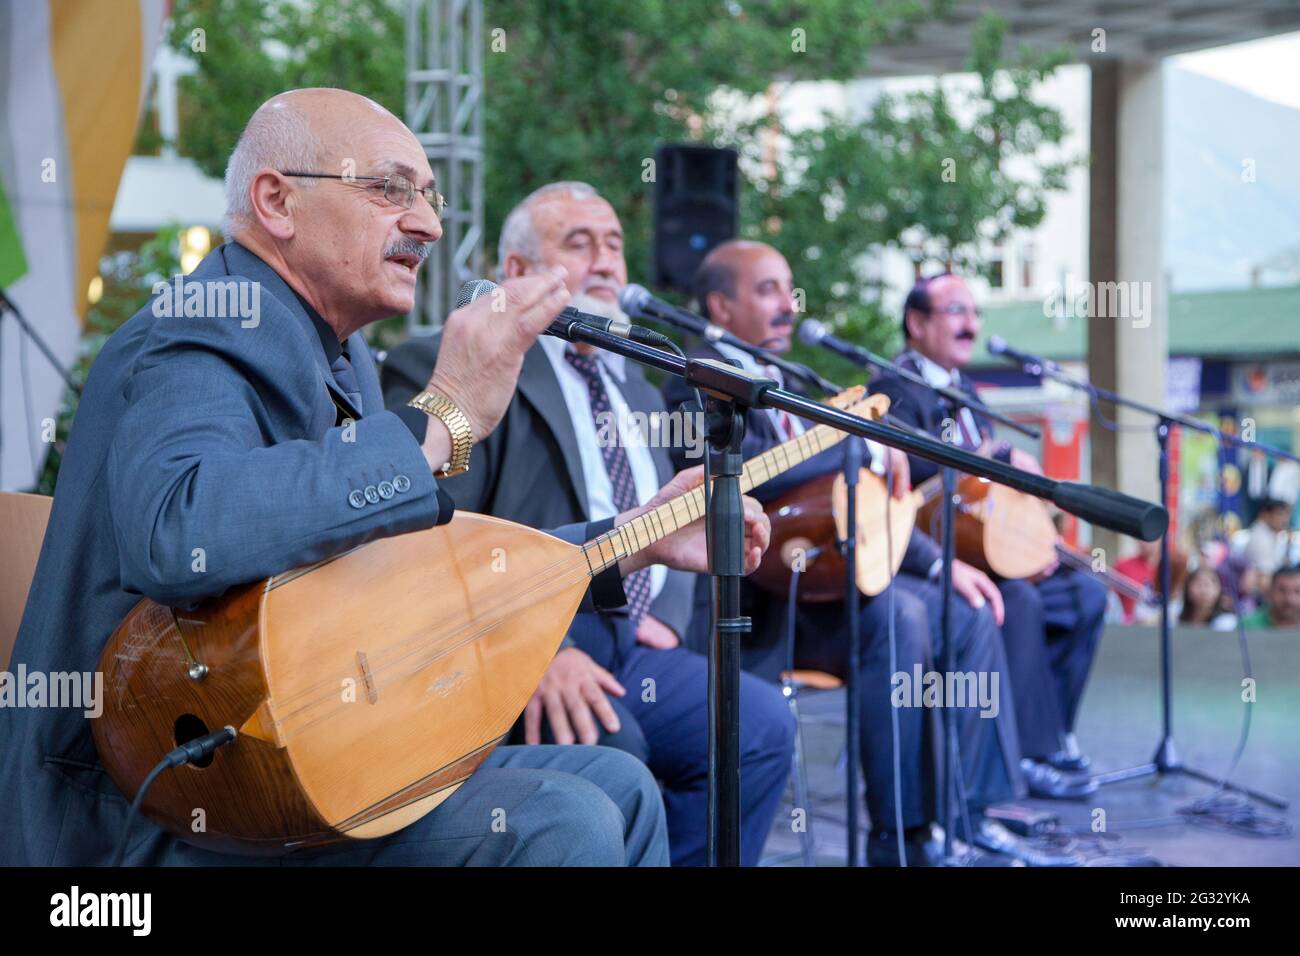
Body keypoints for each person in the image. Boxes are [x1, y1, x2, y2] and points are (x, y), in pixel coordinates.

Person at [0, 90, 764, 867]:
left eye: (428, 197)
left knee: (621, 786)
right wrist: (442, 416)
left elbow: (412, 580)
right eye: (389, 189)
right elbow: (179, 528)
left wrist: (630, 542)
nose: (429, 224)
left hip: (301, 762)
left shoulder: (340, 352)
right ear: (278, 201)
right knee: (566, 820)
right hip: (163, 806)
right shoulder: (200, 326)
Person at [382, 183, 789, 866]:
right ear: (515, 273)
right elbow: (431, 538)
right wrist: (537, 647)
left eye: (614, 244)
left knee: (763, 725)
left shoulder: (638, 381)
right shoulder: (464, 364)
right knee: (613, 749)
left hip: (629, 637)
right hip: (521, 640)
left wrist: (662, 612)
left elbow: (657, 519)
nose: (605, 260)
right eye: (578, 243)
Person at [664, 240, 1087, 868]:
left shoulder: (792, 378)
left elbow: (864, 508)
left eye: (788, 287)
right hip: (765, 606)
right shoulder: (695, 380)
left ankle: (970, 817)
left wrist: (942, 564)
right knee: (902, 617)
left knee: (963, 607)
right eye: (768, 290)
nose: (788, 304)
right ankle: (902, 839)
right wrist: (851, 445)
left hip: (829, 586)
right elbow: (740, 478)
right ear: (721, 305)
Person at [870, 272, 1106, 789]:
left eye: (975, 313)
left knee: (1084, 593)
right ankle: (1022, 756)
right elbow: (917, 472)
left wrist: (1033, 540)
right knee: (1017, 600)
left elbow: (991, 494)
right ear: (916, 322)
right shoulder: (893, 387)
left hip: (988, 550)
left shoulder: (967, 390)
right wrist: (995, 456)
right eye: (956, 311)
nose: (971, 324)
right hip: (929, 555)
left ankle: (1049, 736)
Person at [1174, 565, 1237, 631]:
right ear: (1188, 588)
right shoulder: (1176, 615)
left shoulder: (1226, 621)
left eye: (1208, 584)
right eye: (1199, 584)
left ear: (1218, 589)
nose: (1203, 590)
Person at [1244, 498, 1293, 579]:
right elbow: (1266, 576)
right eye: (1280, 514)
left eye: (1287, 515)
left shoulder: (1269, 533)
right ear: (1265, 515)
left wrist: (1289, 545)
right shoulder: (1260, 538)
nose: (1285, 520)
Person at [1240, 565, 1300, 629]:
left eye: (1297, 591)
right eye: (1282, 590)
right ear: (1270, 592)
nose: (1289, 599)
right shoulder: (1247, 626)